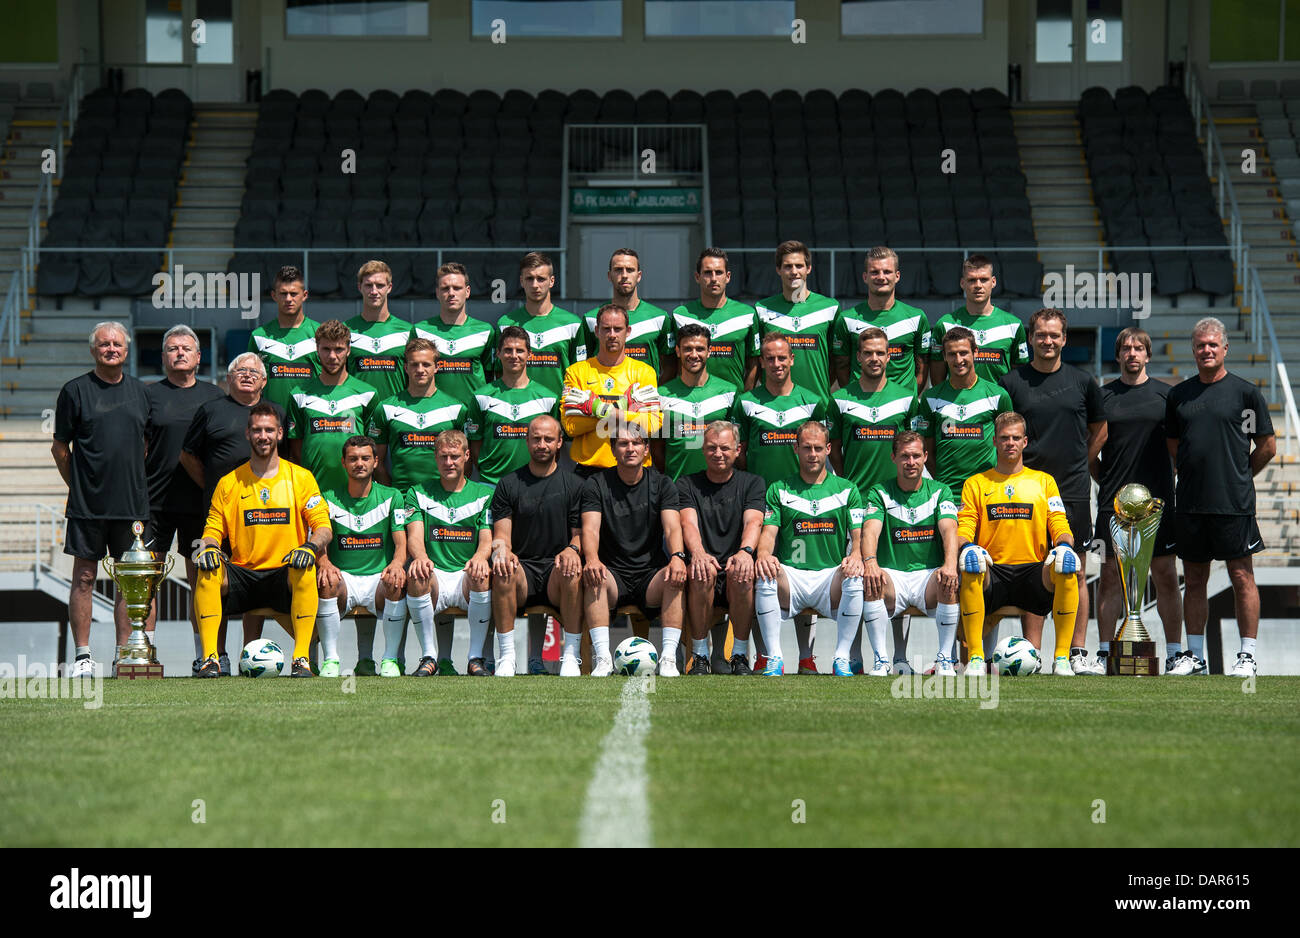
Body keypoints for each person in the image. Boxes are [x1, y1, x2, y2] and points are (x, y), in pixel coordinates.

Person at [1166, 317, 1275, 677]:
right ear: (1193, 350)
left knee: (1242, 576)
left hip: (1234, 504)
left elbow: (1267, 446)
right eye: (1200, 345)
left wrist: (1241, 476)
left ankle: (1247, 655)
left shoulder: (1246, 393)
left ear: (1225, 348)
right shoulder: (1179, 396)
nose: (1206, 350)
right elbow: (1174, 448)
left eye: (1213, 344)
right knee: (1194, 579)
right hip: (1192, 504)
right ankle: (1194, 656)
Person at [999, 308, 1106, 674]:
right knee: (1033, 570)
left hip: (1072, 492)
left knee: (1073, 570)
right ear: (1030, 338)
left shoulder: (1083, 381)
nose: (1047, 341)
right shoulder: (1011, 383)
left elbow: (1101, 430)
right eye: (1041, 335)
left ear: (1064, 338)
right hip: (1024, 493)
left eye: (1054, 335)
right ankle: (1033, 652)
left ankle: (1076, 653)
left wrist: (1078, 463)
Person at [193, 403, 332, 678]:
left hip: (283, 575)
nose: (263, 436)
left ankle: (301, 659)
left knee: (305, 565)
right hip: (243, 575)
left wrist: (311, 546)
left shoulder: (301, 478)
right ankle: (210, 659)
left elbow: (324, 527)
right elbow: (211, 531)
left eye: (269, 430)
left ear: (280, 434)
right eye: (257, 430)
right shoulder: (229, 483)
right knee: (207, 569)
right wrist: (209, 548)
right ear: (247, 434)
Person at [52, 321, 150, 677]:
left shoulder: (142, 392)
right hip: (88, 506)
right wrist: (79, 486)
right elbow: (60, 448)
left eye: (117, 344)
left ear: (127, 351)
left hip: (132, 507)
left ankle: (126, 656)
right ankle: (82, 657)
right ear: (94, 350)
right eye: (105, 344)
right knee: (84, 579)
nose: (111, 348)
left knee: (132, 581)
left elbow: (145, 446)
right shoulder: (74, 391)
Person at [732, 331, 829, 673]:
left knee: (803, 574)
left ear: (793, 360)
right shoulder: (744, 402)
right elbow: (739, 455)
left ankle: (806, 657)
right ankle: (764, 653)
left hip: (802, 502)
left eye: (781, 357)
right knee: (763, 574)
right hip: (760, 503)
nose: (776, 363)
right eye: (769, 358)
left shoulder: (814, 401)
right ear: (761, 361)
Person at [180, 353, 287, 662]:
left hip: (264, 517)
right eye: (240, 370)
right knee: (212, 581)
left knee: (255, 579)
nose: (247, 375)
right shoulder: (210, 410)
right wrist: (215, 492)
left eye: (255, 372)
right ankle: (214, 655)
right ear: (228, 378)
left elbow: (290, 457)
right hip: (219, 518)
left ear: (265, 381)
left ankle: (249, 653)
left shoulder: (275, 413)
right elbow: (187, 455)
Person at [955, 412, 1079, 677]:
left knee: (1066, 566)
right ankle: (976, 659)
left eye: (1015, 438)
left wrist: (1065, 546)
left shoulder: (1044, 481)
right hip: (994, 573)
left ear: (1025, 442)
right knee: (971, 563)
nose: (1009, 443)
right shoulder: (975, 483)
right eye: (1004, 438)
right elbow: (963, 529)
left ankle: (1062, 659)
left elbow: (1060, 524)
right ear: (994, 441)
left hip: (1033, 573)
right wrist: (967, 548)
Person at [1090, 327, 1183, 672]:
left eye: (1138, 348)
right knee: (1110, 575)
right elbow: (1090, 453)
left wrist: (1164, 483)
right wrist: (1111, 487)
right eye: (1126, 348)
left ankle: (1174, 653)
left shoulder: (1167, 396)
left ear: (1147, 355)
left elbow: (1177, 448)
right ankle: (1103, 653)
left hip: (1158, 506)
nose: (1132, 353)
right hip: (1112, 506)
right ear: (1117, 356)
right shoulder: (1102, 397)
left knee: (1165, 575)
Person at [754, 421, 866, 677]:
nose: (812, 454)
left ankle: (841, 658)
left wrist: (857, 555)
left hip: (830, 576)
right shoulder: (779, 489)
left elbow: (858, 536)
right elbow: (768, 534)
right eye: (806, 448)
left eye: (818, 448)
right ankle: (775, 658)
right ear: (796, 449)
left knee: (855, 574)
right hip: (791, 576)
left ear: (828, 449)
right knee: (764, 570)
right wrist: (763, 555)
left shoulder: (847, 489)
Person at [144, 325, 224, 671]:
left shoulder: (215, 397)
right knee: (145, 582)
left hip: (199, 506)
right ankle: (143, 655)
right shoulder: (147, 396)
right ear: (163, 357)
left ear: (198, 357)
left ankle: (206, 655)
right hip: (153, 504)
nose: (179, 353)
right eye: (173, 348)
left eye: (186, 348)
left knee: (203, 583)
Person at [579, 423, 688, 676]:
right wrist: (592, 559)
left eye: (636, 443)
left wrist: (677, 557)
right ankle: (603, 659)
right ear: (613, 449)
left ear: (647, 449)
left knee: (675, 576)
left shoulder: (663, 484)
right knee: (594, 575)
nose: (630, 448)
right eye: (623, 443)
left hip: (650, 576)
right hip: (612, 575)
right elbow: (590, 529)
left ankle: (669, 659)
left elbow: (672, 529)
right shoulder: (596, 484)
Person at [489, 415, 585, 677]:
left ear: (559, 443)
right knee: (502, 567)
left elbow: (580, 537)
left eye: (548, 439)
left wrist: (572, 550)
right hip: (523, 572)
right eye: (536, 439)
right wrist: (502, 552)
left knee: (573, 567)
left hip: (558, 571)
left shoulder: (575, 485)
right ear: (527, 441)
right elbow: (500, 536)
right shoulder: (509, 484)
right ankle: (507, 657)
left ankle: (570, 656)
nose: (542, 444)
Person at [860, 431, 960, 676]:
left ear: (926, 457)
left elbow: (949, 530)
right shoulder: (879, 492)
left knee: (948, 581)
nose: (911, 462)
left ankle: (945, 660)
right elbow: (870, 531)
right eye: (905, 456)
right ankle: (881, 661)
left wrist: (949, 565)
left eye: (916, 456)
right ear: (893, 457)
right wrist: (870, 563)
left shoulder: (940, 491)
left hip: (928, 577)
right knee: (872, 580)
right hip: (894, 576)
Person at [314, 436, 408, 678]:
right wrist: (324, 562)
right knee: (326, 580)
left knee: (396, 579)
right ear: (343, 463)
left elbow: (401, 542)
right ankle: (331, 661)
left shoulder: (393, 496)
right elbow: (320, 539)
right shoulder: (327, 497)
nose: (359, 463)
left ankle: (389, 660)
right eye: (353, 459)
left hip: (378, 577)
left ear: (376, 462)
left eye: (365, 458)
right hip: (344, 577)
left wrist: (397, 564)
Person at [403, 430, 495, 677]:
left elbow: (487, 539)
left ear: (467, 456)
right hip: (435, 576)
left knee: (482, 572)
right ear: (435, 458)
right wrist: (421, 558)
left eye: (454, 456)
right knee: (416, 573)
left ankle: (475, 658)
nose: (449, 463)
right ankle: (429, 657)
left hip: (466, 574)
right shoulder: (417, 493)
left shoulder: (484, 494)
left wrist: (479, 557)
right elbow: (414, 537)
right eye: (443, 457)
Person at [677, 421, 766, 675]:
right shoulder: (687, 485)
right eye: (712, 448)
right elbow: (688, 524)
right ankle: (700, 656)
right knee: (701, 571)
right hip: (705, 564)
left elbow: (753, 521)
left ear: (738, 450)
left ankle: (739, 655)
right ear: (703, 450)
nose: (718, 454)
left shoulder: (753, 483)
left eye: (725, 448)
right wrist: (698, 553)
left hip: (735, 564)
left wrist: (745, 552)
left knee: (742, 572)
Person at [561, 303, 663, 475]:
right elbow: (571, 427)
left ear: (628, 331)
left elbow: (651, 425)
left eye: (618, 329)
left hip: (635, 470)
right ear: (596, 331)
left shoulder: (644, 372)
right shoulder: (576, 372)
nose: (612, 335)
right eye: (606, 329)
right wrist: (624, 410)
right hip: (588, 472)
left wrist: (596, 409)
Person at [915, 326, 1013, 499]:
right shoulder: (930, 398)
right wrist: (943, 485)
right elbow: (927, 452)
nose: (958, 359)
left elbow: (1009, 446)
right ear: (944, 356)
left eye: (963, 353)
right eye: (952, 354)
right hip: (948, 496)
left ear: (975, 352)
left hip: (988, 493)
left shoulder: (998, 395)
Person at [367, 337, 473, 490]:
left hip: (443, 498)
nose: (420, 369)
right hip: (402, 497)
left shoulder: (457, 409)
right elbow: (376, 463)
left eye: (426, 364)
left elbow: (466, 462)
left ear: (436, 367)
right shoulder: (385, 408)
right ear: (405, 367)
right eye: (414, 364)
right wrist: (393, 494)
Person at [286, 319, 379, 495]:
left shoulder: (368, 394)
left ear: (349, 350)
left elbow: (373, 444)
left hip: (356, 494)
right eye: (326, 349)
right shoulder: (299, 394)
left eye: (339, 349)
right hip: (313, 493)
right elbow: (297, 447)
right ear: (317, 350)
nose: (332, 357)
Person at [468, 326, 560, 485]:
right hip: (491, 484)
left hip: (534, 483)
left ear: (529, 354)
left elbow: (555, 445)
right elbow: (475, 444)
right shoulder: (481, 397)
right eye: (508, 350)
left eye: (520, 350)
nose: (514, 356)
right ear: (498, 353)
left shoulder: (549, 398)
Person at [831, 246, 930, 393]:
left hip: (903, 410)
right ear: (865, 277)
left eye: (887, 272)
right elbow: (841, 366)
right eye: (874, 272)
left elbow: (922, 367)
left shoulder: (917, 318)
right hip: (860, 407)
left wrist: (907, 399)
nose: (881, 277)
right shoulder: (847, 319)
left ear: (897, 276)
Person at [652, 323, 738, 481]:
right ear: (677, 351)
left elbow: (737, 447)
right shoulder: (661, 395)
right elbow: (656, 449)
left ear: (709, 351)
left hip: (719, 490)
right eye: (687, 348)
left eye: (700, 349)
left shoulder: (729, 392)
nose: (693, 354)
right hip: (677, 490)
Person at [755, 240, 839, 401]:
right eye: (787, 266)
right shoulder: (762, 309)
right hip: (772, 405)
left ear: (809, 268)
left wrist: (818, 386)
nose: (794, 271)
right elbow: (755, 361)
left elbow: (837, 360)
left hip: (816, 404)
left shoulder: (830, 308)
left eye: (799, 266)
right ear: (778, 270)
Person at [495, 252, 587, 398]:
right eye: (529, 278)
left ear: (552, 281)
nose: (535, 285)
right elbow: (498, 373)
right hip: (518, 412)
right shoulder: (505, 324)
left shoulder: (573, 324)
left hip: (559, 411)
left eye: (541, 279)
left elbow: (581, 373)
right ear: (521, 281)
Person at [928, 254, 1027, 386]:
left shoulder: (1013, 325)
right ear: (962, 283)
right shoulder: (945, 324)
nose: (978, 285)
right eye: (972, 280)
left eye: (983, 279)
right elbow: (937, 381)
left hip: (999, 405)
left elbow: (1020, 376)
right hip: (957, 403)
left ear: (993, 282)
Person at [670, 248, 760, 392]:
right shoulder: (680, 315)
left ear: (728, 276)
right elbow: (673, 365)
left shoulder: (747, 315)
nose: (713, 278)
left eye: (719, 272)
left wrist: (743, 400)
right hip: (689, 400)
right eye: (707, 272)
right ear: (697, 277)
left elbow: (754, 366)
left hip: (733, 404)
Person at [410, 261, 497, 409]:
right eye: (445, 288)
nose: (451, 293)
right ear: (437, 293)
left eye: (457, 288)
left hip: (473, 414)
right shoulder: (420, 331)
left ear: (467, 291)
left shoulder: (485, 331)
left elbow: (490, 376)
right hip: (434, 414)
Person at [583, 248, 674, 380]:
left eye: (630, 270)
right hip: (602, 397)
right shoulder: (591, 319)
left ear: (639, 276)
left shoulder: (660, 318)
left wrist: (654, 395)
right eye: (618, 270)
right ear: (609, 276)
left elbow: (670, 367)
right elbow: (582, 365)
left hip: (645, 398)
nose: (624, 275)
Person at [248, 265, 321, 411]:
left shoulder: (320, 334)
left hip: (308, 419)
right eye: (283, 293)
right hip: (270, 420)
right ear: (274, 296)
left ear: (305, 295)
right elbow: (252, 382)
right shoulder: (259, 336)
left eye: (294, 294)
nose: (288, 299)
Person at [345, 260, 410, 402]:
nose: (374, 291)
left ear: (389, 287)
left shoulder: (408, 331)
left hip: (395, 415)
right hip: (356, 414)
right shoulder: (345, 330)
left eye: (380, 285)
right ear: (359, 287)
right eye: (368, 285)